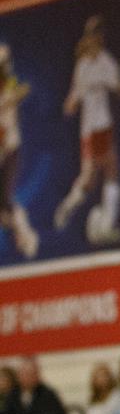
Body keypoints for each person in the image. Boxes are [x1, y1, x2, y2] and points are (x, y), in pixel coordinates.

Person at [53, 14, 120, 243]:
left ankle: (68, 207)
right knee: (110, 172)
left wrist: (70, 105)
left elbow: (74, 98)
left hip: (89, 131)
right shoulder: (101, 62)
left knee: (89, 179)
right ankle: (106, 223)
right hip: (99, 126)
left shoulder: (84, 65)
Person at [0, 43, 38, 259]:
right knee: (2, 212)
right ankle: (22, 231)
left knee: (5, 200)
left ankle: (26, 236)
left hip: (9, 152)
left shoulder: (10, 86)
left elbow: (22, 90)